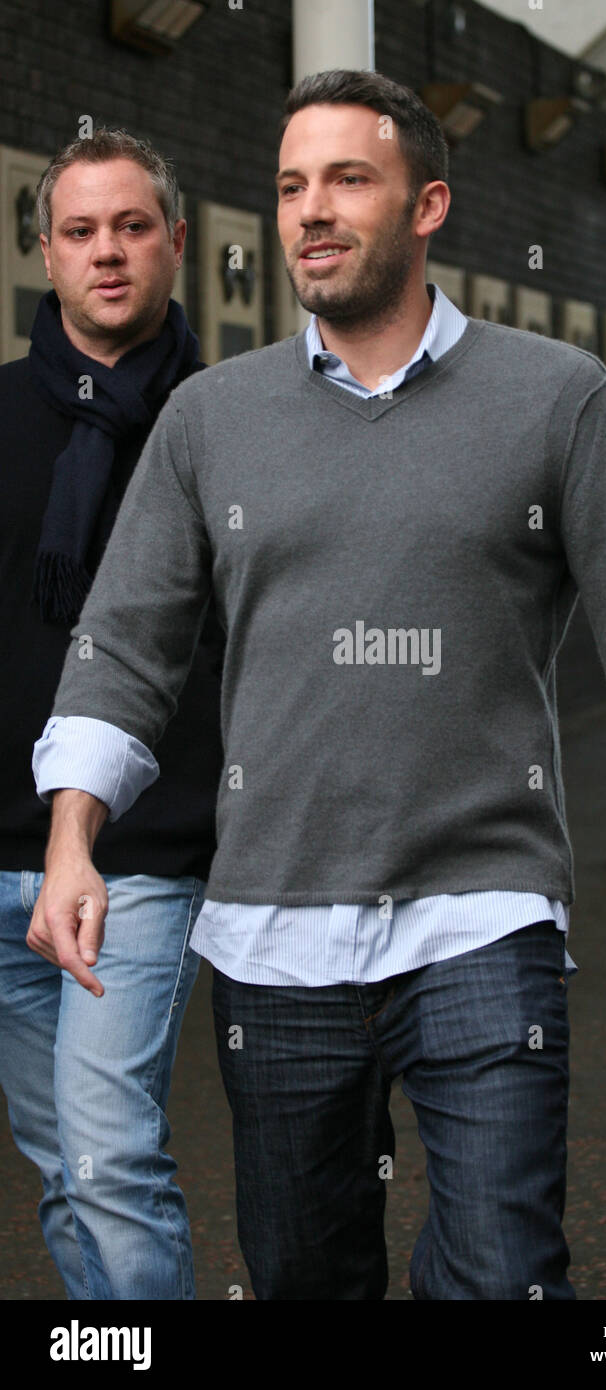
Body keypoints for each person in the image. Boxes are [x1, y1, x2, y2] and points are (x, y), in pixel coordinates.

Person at [30, 71, 606, 1301]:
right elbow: (125, 644)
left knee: (507, 1268)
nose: (311, 211)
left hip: (486, 916)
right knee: (307, 1274)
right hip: (273, 932)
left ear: (428, 204)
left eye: (346, 180)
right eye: (291, 186)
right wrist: (71, 840)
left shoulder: (554, 394)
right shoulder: (212, 419)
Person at [1, 127, 223, 1299]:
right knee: (62, 1168)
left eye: (132, 226)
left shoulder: (231, 420)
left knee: (109, 1154)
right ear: (45, 252)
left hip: (139, 852)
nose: (108, 253)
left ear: (176, 243)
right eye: (80, 231)